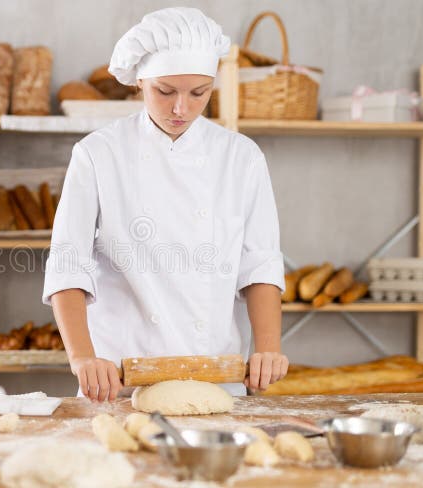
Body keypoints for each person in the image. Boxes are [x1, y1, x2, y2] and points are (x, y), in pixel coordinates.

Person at [42, 7, 287, 402]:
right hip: (119, 378)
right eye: (165, 91)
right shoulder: (98, 154)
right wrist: (83, 358)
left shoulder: (241, 157)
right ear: (139, 81)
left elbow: (259, 262)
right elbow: (68, 264)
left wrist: (268, 348)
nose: (181, 109)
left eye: (199, 93)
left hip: (215, 377)